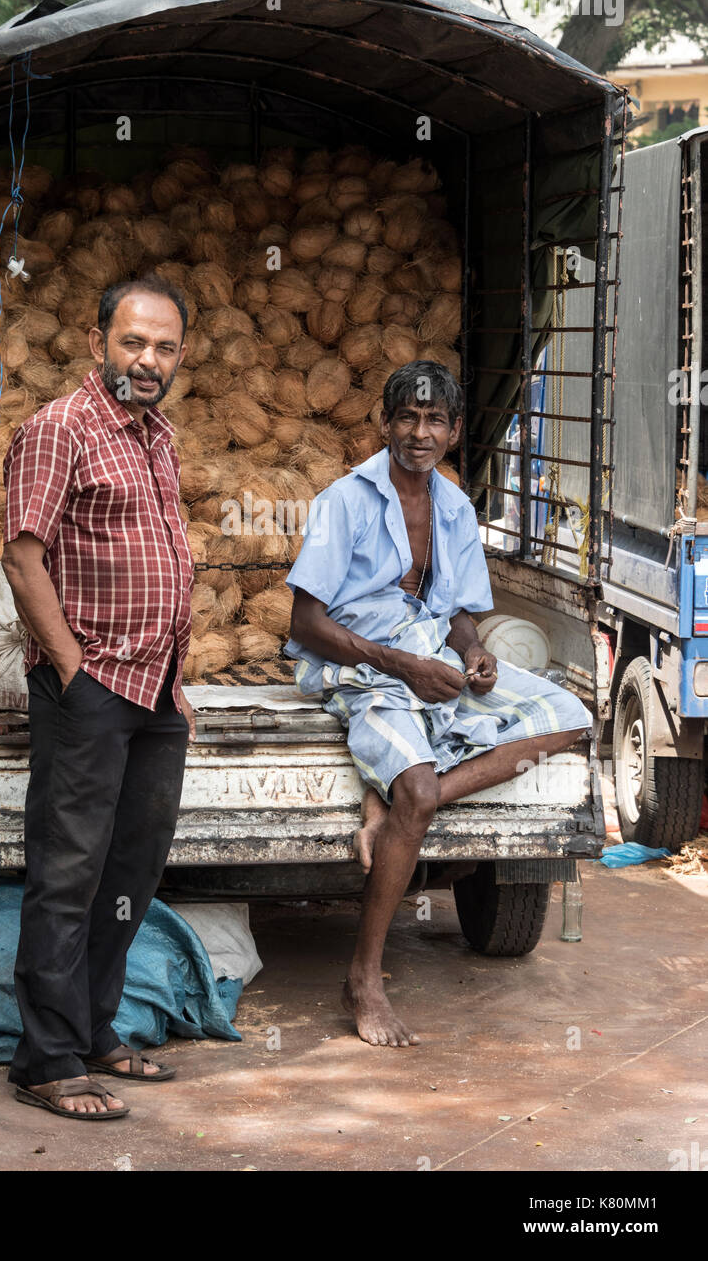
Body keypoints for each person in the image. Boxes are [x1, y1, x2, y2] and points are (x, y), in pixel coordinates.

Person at [284, 360, 592, 1049]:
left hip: (432, 658)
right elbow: (305, 623)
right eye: (407, 418)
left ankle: (395, 808)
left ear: (454, 431)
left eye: (433, 421)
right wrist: (400, 665)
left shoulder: (454, 507)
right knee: (418, 792)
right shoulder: (344, 501)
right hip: (359, 667)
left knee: (568, 716)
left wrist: (474, 651)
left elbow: (455, 613)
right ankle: (364, 978)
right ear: (385, 423)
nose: (418, 434)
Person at [1, 272, 196, 1119]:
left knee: (132, 867)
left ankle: (91, 1029)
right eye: (132, 342)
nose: (148, 360)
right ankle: (44, 1060)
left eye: (164, 347)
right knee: (68, 872)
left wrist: (175, 683)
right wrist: (72, 668)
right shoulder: (60, 429)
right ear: (97, 344)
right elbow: (22, 557)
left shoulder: (157, 436)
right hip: (90, 687)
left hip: (155, 690)